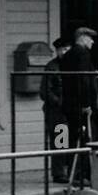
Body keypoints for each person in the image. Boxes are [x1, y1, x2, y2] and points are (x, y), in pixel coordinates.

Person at [59, 26, 98, 183]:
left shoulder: (68, 56)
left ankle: (74, 173)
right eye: (90, 38)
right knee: (86, 138)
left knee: (73, 138)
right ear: (82, 38)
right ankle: (82, 175)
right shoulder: (82, 53)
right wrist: (86, 103)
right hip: (81, 104)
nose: (92, 41)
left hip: (70, 104)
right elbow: (82, 80)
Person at [40, 37, 72, 184]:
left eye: (67, 49)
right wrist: (60, 102)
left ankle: (70, 171)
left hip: (68, 110)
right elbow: (45, 92)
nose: (65, 52)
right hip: (57, 112)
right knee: (60, 141)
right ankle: (59, 173)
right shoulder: (51, 67)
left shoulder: (71, 66)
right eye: (63, 49)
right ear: (57, 51)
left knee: (69, 140)